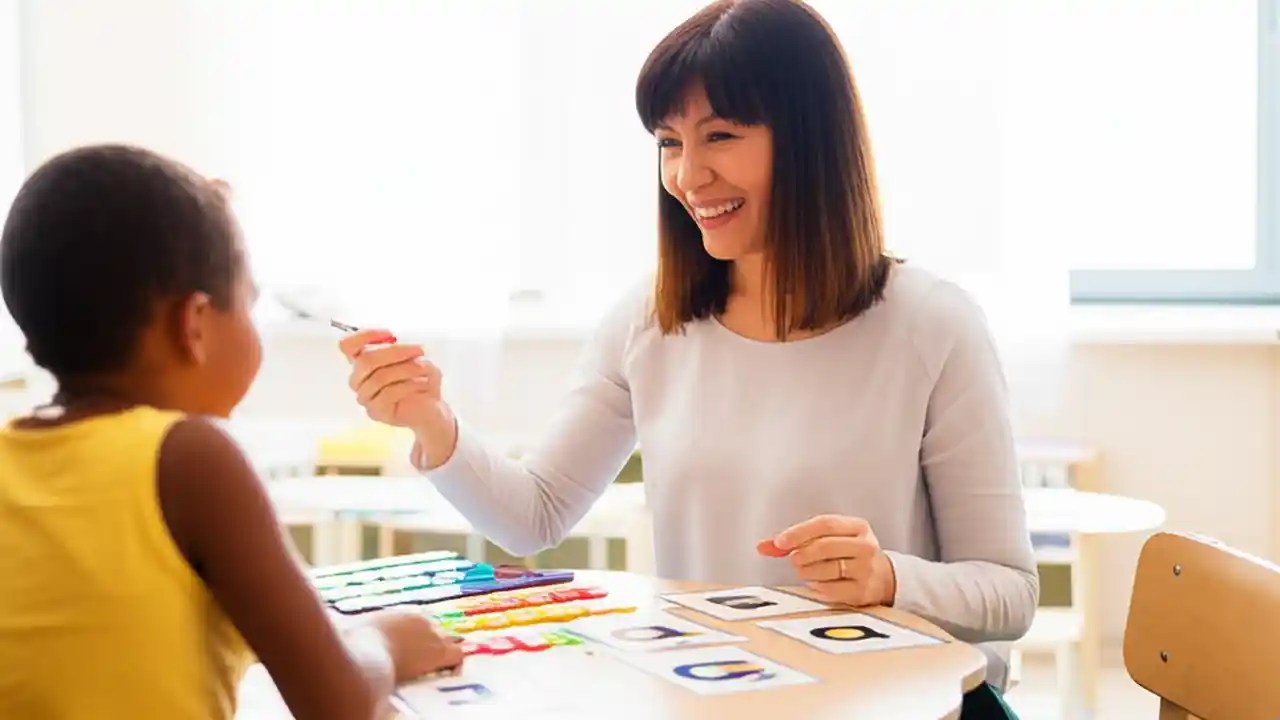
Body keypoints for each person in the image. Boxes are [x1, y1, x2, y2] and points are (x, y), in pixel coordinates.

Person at [341, 0, 1034, 713]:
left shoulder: (933, 324)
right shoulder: (651, 322)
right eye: (670, 143)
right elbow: (535, 516)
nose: (688, 176)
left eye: (721, 135)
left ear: (810, 140)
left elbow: (1010, 593)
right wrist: (433, 422)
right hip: (718, 700)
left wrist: (890, 577)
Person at [0, 145, 463, 720]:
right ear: (193, 326)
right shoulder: (189, 458)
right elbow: (336, 702)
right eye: (247, 303)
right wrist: (387, 643)